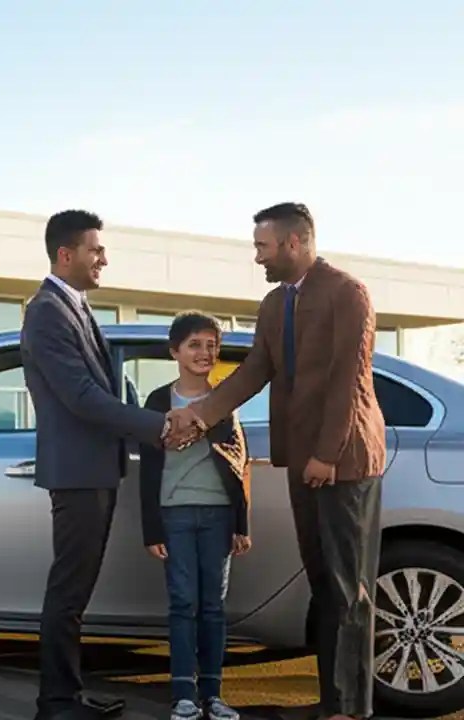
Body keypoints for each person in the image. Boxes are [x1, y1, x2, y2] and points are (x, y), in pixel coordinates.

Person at [165, 202, 385, 720]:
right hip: (303, 461)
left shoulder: (347, 293)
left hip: (344, 460)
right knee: (323, 584)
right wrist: (200, 415)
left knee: (348, 589)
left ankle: (349, 709)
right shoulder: (274, 303)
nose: (257, 256)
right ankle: (332, 700)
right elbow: (254, 371)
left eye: (263, 246)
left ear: (293, 242)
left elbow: (349, 381)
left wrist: (327, 455)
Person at [20, 209, 173, 720]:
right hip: (78, 473)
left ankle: (68, 694)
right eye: (95, 250)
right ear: (66, 254)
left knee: (75, 591)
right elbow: (82, 396)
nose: (104, 258)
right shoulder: (47, 312)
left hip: (95, 470)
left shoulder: (75, 307)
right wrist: (158, 426)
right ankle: (56, 704)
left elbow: (106, 389)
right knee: (68, 591)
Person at [138, 312, 252, 720]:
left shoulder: (223, 401)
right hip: (175, 515)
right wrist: (151, 528)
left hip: (219, 515)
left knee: (213, 606)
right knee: (183, 602)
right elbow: (149, 468)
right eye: (194, 345)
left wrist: (241, 524)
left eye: (211, 345)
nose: (204, 353)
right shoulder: (158, 401)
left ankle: (214, 695)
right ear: (175, 352)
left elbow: (239, 463)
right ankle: (183, 695)